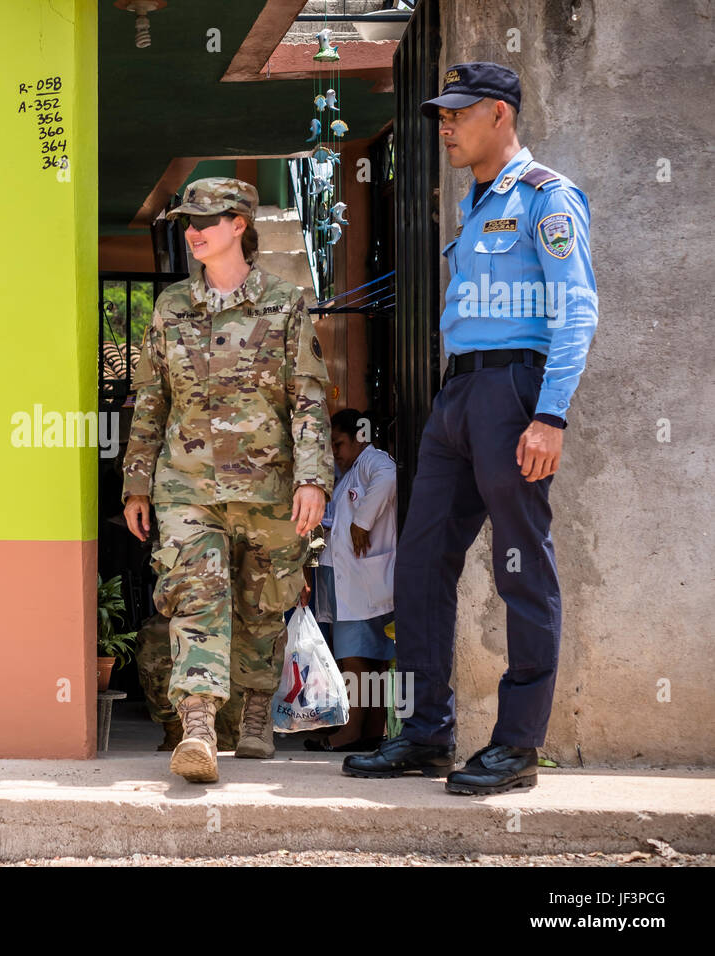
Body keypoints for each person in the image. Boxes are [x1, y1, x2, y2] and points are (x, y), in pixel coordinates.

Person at [344, 63, 598, 793]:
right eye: (442, 117)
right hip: (458, 396)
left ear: (499, 114)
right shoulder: (479, 204)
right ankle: (425, 734)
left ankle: (517, 747)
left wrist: (550, 413)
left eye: (457, 115)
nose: (446, 128)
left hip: (514, 393)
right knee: (419, 564)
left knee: (523, 566)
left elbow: (576, 309)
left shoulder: (548, 198)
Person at [122, 177, 334, 783]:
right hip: (186, 486)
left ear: (240, 224)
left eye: (206, 220)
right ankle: (197, 726)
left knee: (264, 606)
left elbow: (308, 398)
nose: (192, 231)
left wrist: (313, 479)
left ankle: (256, 714)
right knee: (195, 597)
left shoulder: (285, 302)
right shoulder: (170, 308)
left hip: (269, 487)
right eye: (187, 221)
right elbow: (150, 401)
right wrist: (137, 484)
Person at [304, 408, 396, 752]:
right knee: (370, 657)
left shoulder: (375, 462)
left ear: (360, 435)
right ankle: (371, 730)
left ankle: (351, 732)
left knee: (354, 657)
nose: (335, 452)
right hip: (353, 581)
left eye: (339, 444)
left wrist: (362, 522)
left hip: (359, 582)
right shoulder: (349, 474)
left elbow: (389, 479)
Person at [134, 612, 243, 751]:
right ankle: (178, 731)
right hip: (191, 602)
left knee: (246, 643)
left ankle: (228, 737)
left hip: (240, 605)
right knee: (156, 635)